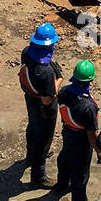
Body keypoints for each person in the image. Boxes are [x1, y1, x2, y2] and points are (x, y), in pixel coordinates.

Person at [54, 58, 99, 201]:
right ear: (90, 80)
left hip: (68, 133)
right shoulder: (88, 106)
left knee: (65, 158)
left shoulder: (65, 92)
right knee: (80, 176)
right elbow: (91, 134)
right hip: (81, 141)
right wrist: (98, 150)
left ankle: (61, 185)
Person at [19, 22, 63, 188]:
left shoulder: (27, 52)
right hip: (43, 106)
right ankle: (39, 176)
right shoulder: (45, 72)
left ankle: (30, 156)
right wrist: (58, 80)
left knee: (33, 127)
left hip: (30, 99)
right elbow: (48, 98)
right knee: (43, 138)